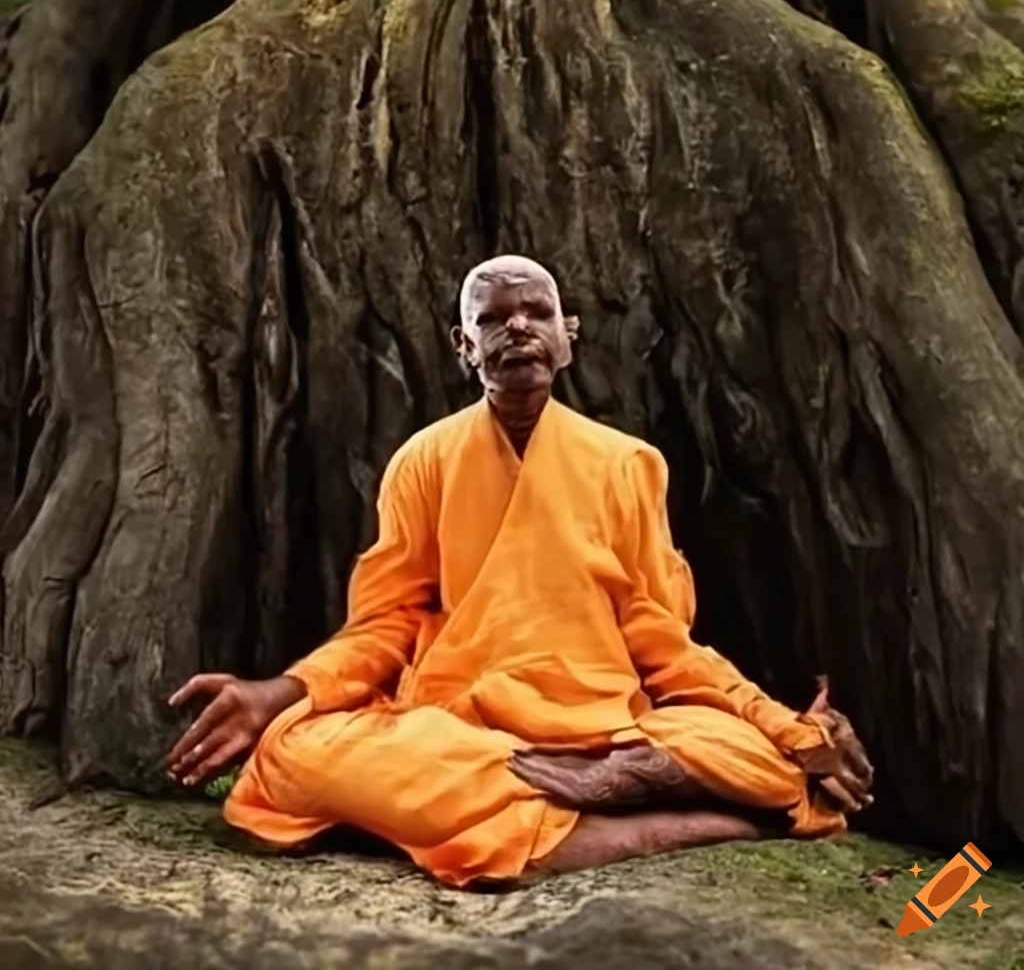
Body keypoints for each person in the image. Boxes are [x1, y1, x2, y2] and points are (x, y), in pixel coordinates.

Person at [166, 255, 873, 888]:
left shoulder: (627, 464)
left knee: (748, 748)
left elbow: (660, 638)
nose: (518, 329)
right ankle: (703, 819)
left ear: (568, 333)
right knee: (291, 751)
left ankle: (611, 788)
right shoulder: (423, 461)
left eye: (536, 312)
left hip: (606, 729)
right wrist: (283, 693)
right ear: (464, 345)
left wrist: (780, 725)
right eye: (494, 319)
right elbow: (384, 625)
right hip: (459, 725)